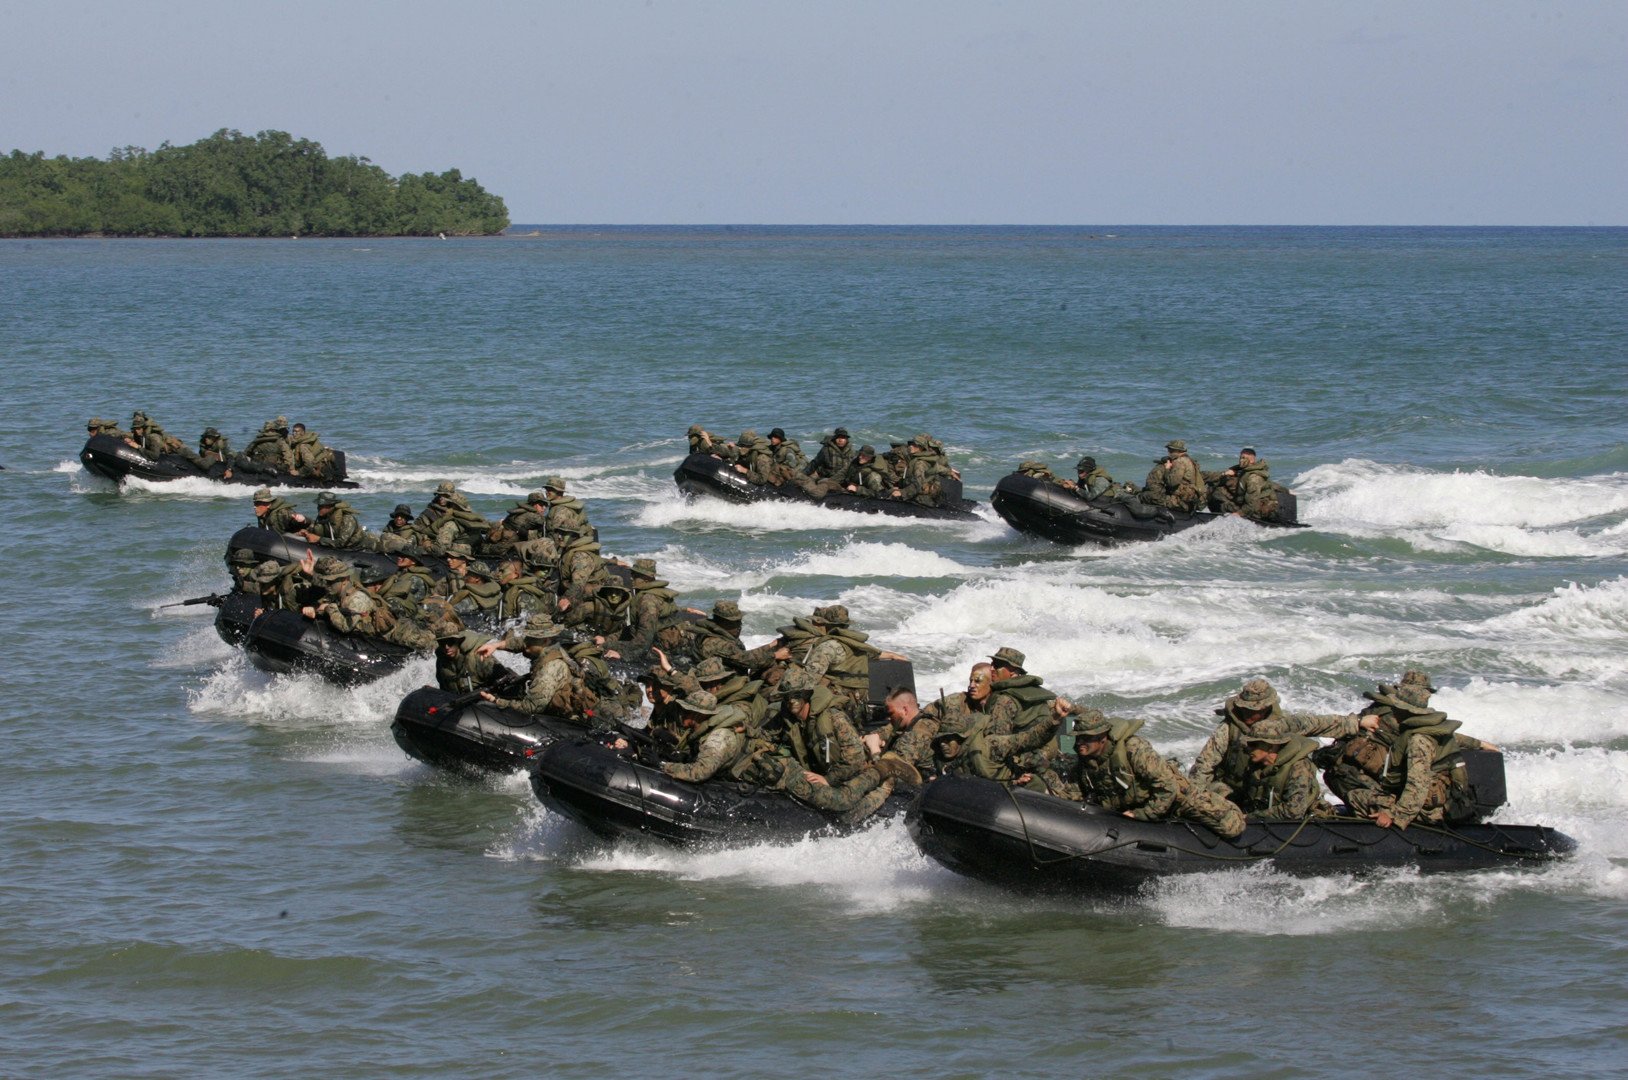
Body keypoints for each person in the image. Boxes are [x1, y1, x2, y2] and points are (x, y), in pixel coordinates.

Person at [1321, 676, 1499, 829]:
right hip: (1441, 802)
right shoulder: (1432, 729)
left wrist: (1395, 816)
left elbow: (1417, 785)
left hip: (1429, 811)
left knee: (1357, 796)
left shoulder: (1418, 741)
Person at [1049, 710, 1246, 838]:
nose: (1080, 743)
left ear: (1102, 738)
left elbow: (1168, 788)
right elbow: (1075, 793)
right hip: (1134, 807)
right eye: (1078, 738)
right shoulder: (1086, 762)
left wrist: (1141, 814)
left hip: (1177, 802)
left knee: (1232, 827)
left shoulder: (1133, 749)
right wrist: (1042, 777)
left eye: (1086, 738)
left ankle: (1223, 797)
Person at [1189, 678, 1381, 799]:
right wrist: (1194, 796)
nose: (1248, 714)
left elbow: (1318, 723)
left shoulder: (1281, 725)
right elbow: (1205, 764)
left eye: (1254, 710)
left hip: (1267, 792)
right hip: (1233, 790)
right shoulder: (1228, 728)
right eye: (1245, 708)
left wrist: (1357, 722)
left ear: (1265, 707)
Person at [478, 615, 592, 719]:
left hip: (564, 718)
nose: (526, 641)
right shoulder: (551, 646)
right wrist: (496, 645)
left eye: (531, 638)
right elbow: (522, 643)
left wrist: (496, 701)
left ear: (545, 640)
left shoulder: (549, 670)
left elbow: (531, 708)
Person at [772, 667, 869, 784]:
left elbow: (856, 761)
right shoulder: (787, 717)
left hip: (846, 779)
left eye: (797, 695)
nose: (792, 701)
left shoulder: (834, 717)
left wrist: (828, 779)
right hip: (813, 774)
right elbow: (765, 735)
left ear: (806, 694)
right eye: (787, 696)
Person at [1234, 733, 1332, 819]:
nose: (1247, 748)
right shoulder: (1255, 766)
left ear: (1271, 746)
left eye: (1253, 745)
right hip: (1260, 818)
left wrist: (1251, 817)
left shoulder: (1299, 767)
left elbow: (1294, 811)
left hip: (1292, 825)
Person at [1139, 439, 1206, 514]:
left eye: (1171, 451)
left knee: (1147, 496)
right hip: (1188, 501)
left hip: (1180, 502)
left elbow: (1172, 482)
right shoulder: (1190, 461)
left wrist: (1167, 469)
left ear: (1178, 451)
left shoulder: (1180, 462)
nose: (1169, 453)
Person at [299, 491, 368, 549]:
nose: (318, 507)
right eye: (318, 505)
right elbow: (319, 528)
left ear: (330, 506)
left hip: (364, 547)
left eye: (322, 506)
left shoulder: (347, 518)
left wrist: (319, 539)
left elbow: (342, 542)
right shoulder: (325, 516)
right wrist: (307, 532)